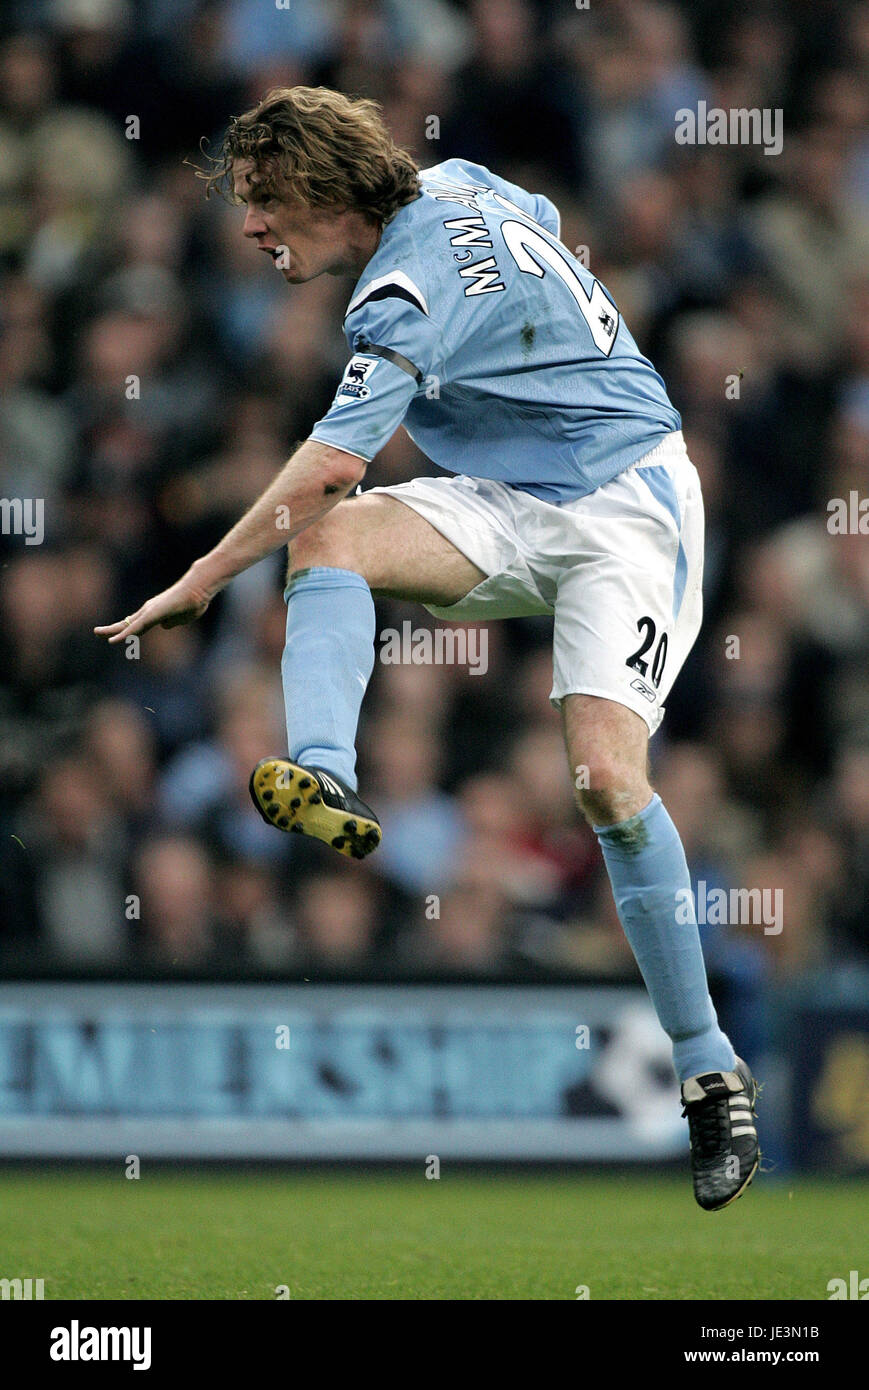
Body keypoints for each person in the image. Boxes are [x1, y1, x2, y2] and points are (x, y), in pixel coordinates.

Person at [95, 86, 759, 1210]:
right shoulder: (465, 184)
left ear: (320, 187)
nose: (250, 227)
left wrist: (200, 576)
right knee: (334, 542)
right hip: (512, 490)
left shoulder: (401, 293)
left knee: (602, 779)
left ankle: (705, 1068)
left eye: (262, 201)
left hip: (629, 507)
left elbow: (328, 460)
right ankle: (325, 773)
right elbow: (539, 219)